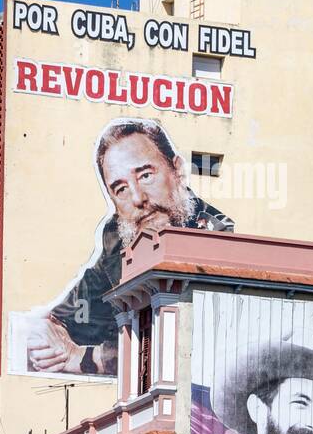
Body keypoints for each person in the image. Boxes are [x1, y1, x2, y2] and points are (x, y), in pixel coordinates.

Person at [25, 118, 233, 376]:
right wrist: (48, 330)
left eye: (146, 175)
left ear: (177, 171)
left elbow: (177, 338)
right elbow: (75, 308)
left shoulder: (215, 235)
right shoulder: (118, 236)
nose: (137, 199)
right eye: (120, 188)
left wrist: (84, 357)